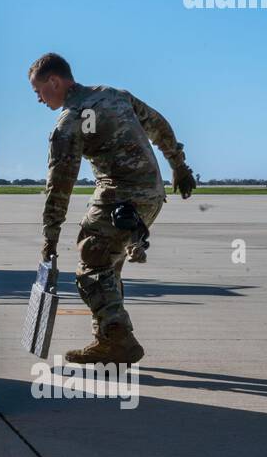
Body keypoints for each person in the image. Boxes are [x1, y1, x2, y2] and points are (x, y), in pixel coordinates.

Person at [28, 52, 196, 364]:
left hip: (119, 194)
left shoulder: (70, 121)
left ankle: (118, 338)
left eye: (38, 91)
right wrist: (179, 166)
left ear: (55, 81)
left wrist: (50, 238)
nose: (38, 99)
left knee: (92, 263)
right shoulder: (114, 95)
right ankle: (105, 338)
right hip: (151, 194)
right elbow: (159, 125)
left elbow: (59, 185)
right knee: (109, 264)